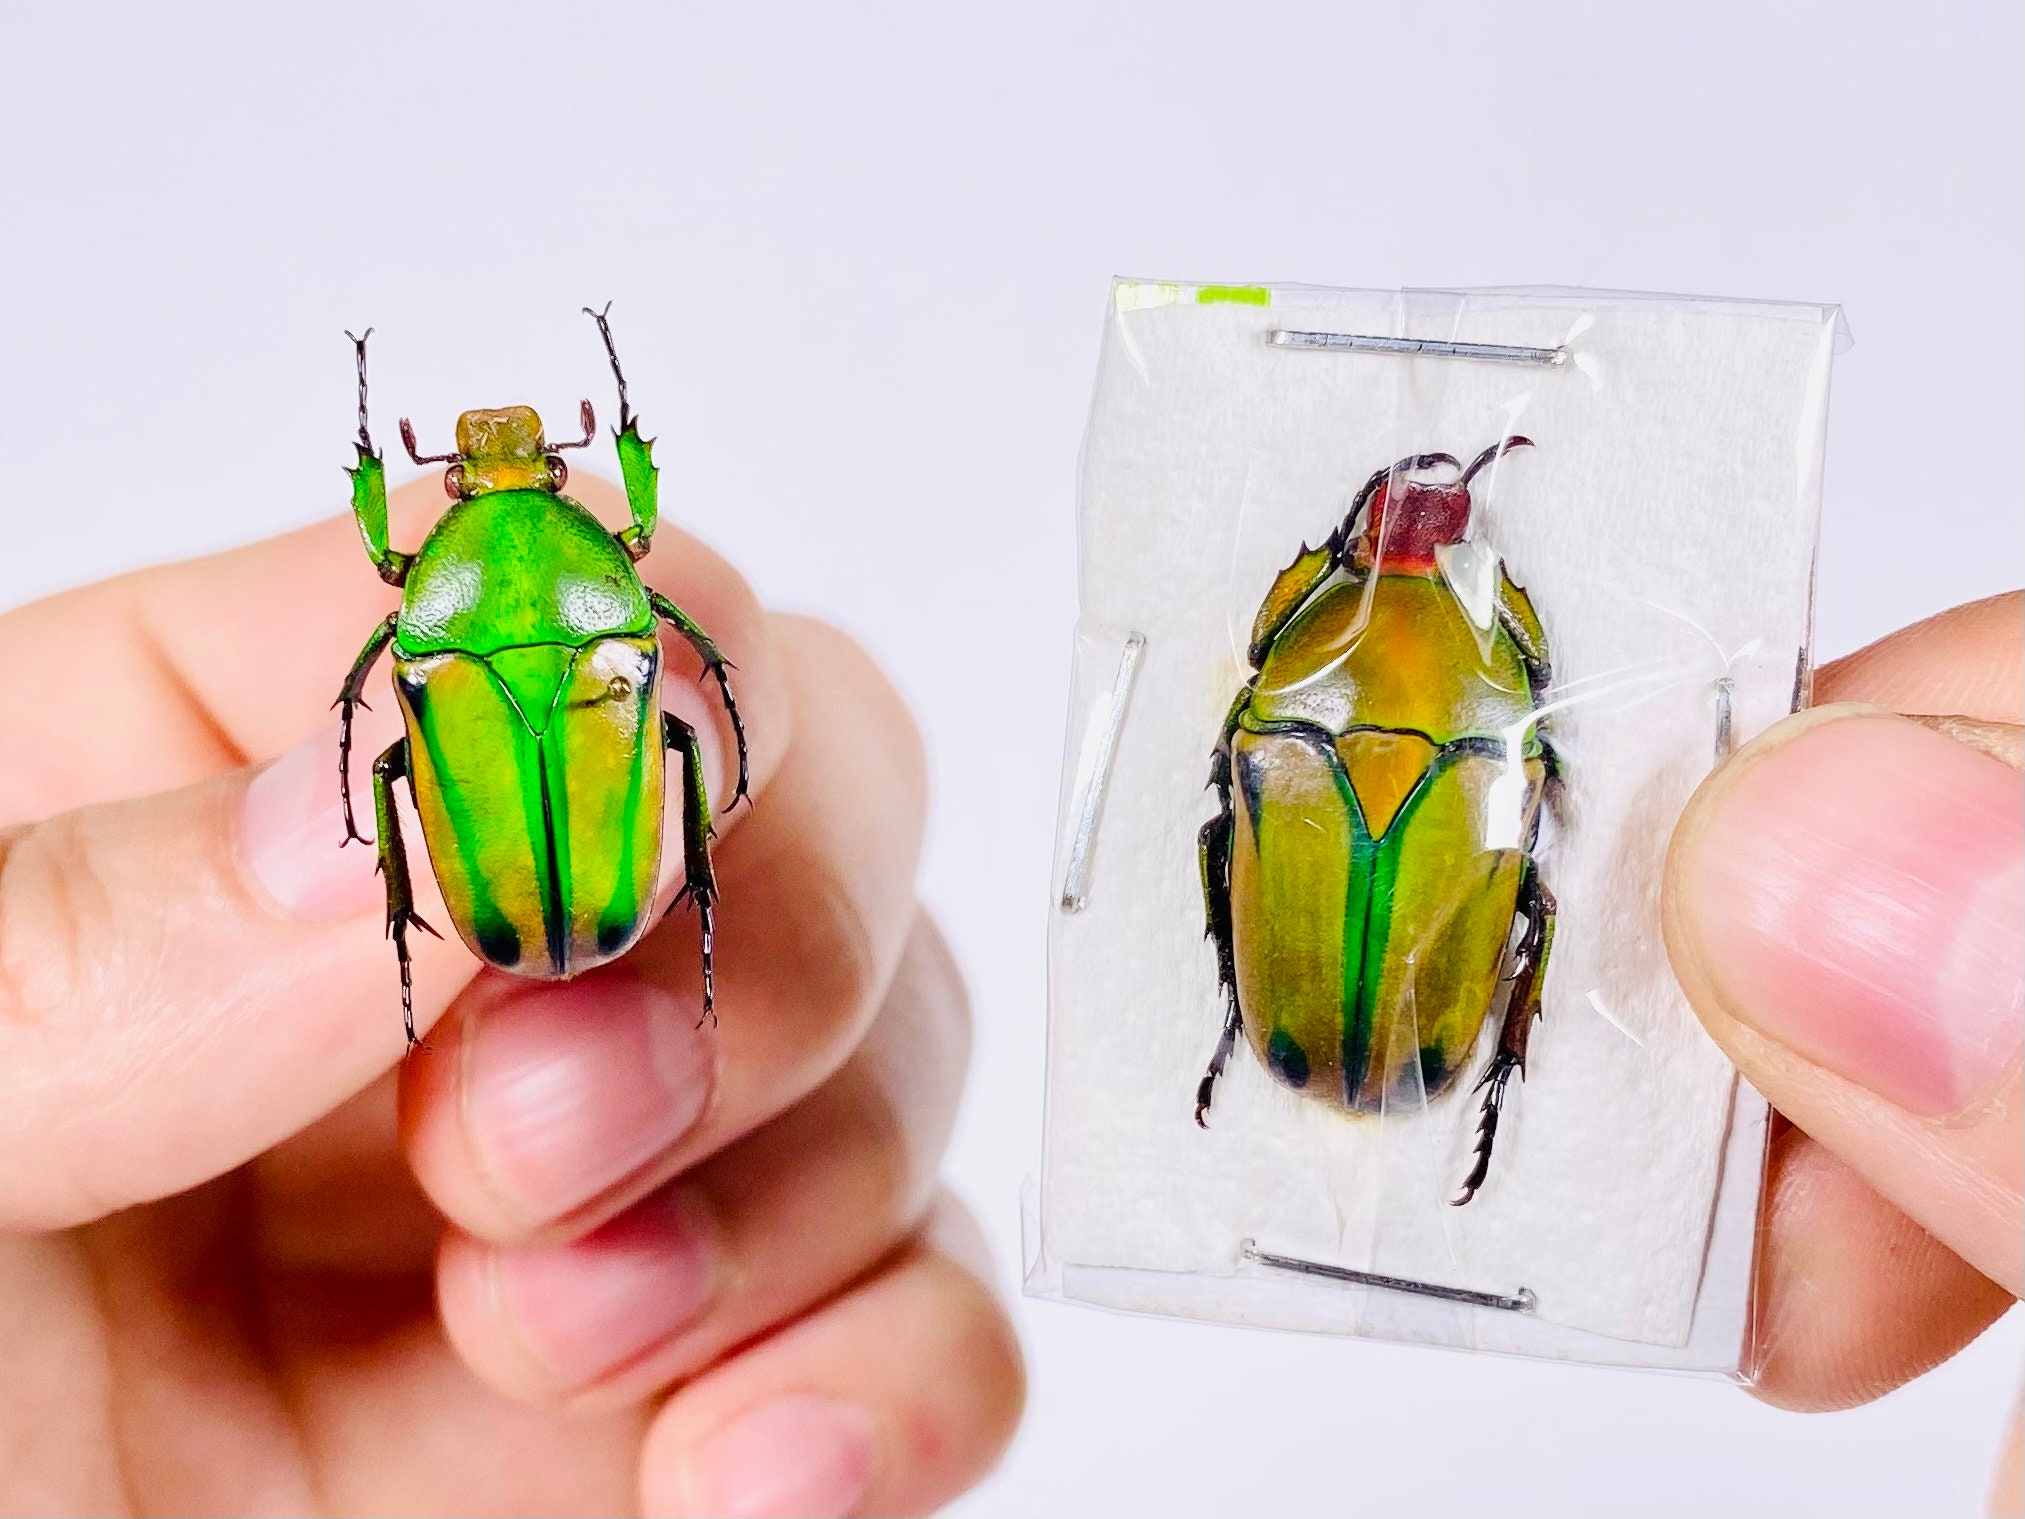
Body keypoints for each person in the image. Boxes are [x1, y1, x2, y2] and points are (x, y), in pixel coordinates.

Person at [0, 475, 2014, 1516]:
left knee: (1287, 795)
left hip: (1322, 930)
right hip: (1359, 947)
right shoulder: (1468, 693)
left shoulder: (1310, 687)